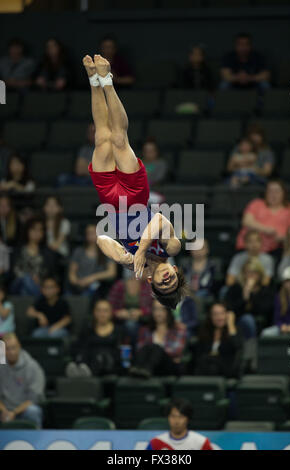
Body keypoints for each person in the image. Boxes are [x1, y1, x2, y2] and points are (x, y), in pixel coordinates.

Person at [83, 54, 187, 309]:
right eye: (172, 279)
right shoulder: (171, 249)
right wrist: (141, 250)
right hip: (136, 195)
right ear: (174, 271)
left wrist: (127, 259)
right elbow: (160, 220)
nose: (166, 278)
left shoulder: (131, 262)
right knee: (119, 139)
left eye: (163, 284)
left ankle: (94, 81)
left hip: (110, 200)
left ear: (151, 282)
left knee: (102, 137)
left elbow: (102, 239)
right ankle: (108, 80)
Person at [236, 180, 290, 254]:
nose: (273, 194)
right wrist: (266, 230)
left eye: (277, 191)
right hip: (248, 247)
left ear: (284, 193)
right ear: (266, 193)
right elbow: (246, 221)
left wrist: (280, 237)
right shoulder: (257, 203)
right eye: (270, 191)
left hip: (274, 248)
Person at [129, 300, 187, 378]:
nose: (158, 313)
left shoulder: (178, 329)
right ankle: (140, 370)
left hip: (167, 367)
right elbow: (140, 349)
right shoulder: (145, 330)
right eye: (155, 309)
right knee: (149, 347)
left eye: (162, 309)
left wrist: (155, 350)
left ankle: (145, 369)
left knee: (156, 348)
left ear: (168, 311)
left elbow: (176, 351)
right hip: (148, 367)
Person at [66, 299, 123, 377]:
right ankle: (79, 370)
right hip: (88, 361)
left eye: (105, 311)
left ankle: (87, 372)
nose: (102, 314)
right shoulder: (88, 329)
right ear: (94, 312)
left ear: (111, 313)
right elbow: (77, 346)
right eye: (99, 310)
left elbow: (122, 352)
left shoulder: (119, 330)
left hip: (109, 364)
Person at [0, 333, 45, 428]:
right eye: (7, 349)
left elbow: (34, 399)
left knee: (33, 411)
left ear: (19, 346)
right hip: (4, 409)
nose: (11, 352)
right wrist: (4, 411)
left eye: (13, 348)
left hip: (24, 409)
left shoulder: (32, 367)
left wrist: (14, 412)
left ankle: (35, 441)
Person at [225, 258, 275, 338]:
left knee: (251, 320)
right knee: (247, 319)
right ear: (243, 274)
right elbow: (232, 309)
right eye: (248, 272)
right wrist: (245, 297)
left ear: (260, 274)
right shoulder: (236, 288)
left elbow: (265, 310)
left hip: (262, 322)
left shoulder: (266, 290)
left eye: (254, 272)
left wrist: (251, 295)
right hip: (239, 321)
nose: (251, 275)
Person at [10, 217, 58, 296]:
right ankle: (40, 302)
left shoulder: (48, 253)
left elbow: (50, 274)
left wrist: (40, 280)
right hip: (17, 284)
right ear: (27, 231)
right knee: (25, 279)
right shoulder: (17, 251)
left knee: (24, 290)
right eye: (34, 229)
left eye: (40, 230)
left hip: (39, 286)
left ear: (43, 233)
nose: (37, 233)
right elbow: (13, 271)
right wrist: (30, 278)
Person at [193, 303, 243, 378]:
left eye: (222, 313)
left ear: (227, 315)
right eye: (215, 314)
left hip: (226, 369)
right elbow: (199, 353)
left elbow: (237, 346)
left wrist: (230, 325)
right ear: (210, 316)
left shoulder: (234, 330)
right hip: (206, 368)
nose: (219, 317)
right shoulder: (205, 331)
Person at [68, 223, 117, 296]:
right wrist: (78, 283)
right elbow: (72, 274)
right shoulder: (79, 251)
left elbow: (112, 272)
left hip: (99, 287)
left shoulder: (107, 251)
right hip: (79, 286)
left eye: (94, 233)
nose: (91, 235)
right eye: (89, 233)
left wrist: (92, 278)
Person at [146, 398, 213, 450]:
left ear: (188, 419)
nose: (176, 421)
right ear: (168, 417)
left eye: (181, 417)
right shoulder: (156, 443)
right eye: (173, 416)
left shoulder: (201, 443)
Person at [108, 272, 152, 342]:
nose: (148, 272)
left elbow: (154, 309)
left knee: (131, 325)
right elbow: (109, 307)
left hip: (143, 320)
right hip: (120, 320)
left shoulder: (149, 287)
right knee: (129, 325)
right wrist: (118, 313)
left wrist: (141, 312)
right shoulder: (120, 285)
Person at [261, 266, 290, 337]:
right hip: (282, 327)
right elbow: (276, 318)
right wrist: (281, 326)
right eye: (288, 281)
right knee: (266, 333)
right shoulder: (278, 297)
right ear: (284, 283)